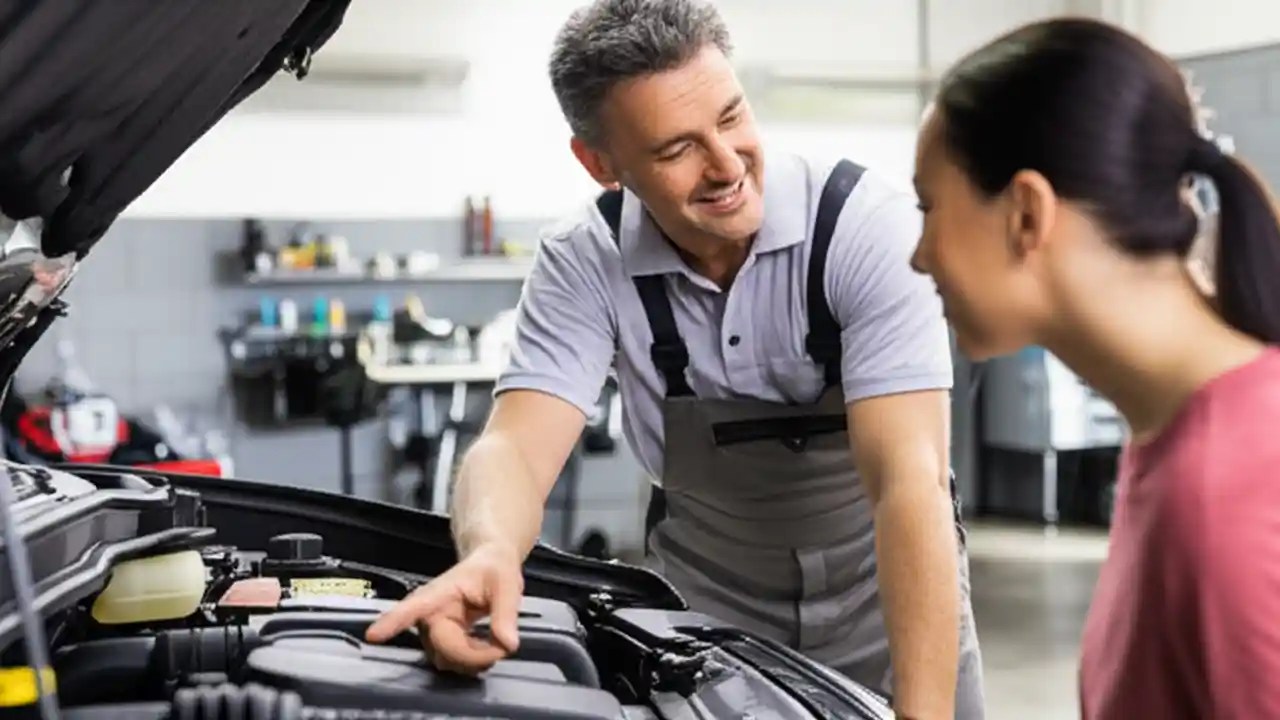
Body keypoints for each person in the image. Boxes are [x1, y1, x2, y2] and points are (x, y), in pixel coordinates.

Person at [366, 1, 985, 717]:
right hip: (708, 623)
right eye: (676, 149)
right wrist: (490, 552)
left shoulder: (865, 228)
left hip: (894, 605)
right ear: (601, 164)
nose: (726, 165)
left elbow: (910, 483)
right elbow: (514, 448)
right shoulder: (586, 259)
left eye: (731, 116)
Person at [910, 17, 1280, 720]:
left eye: (930, 207)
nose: (919, 254)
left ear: (1026, 214)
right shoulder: (1180, 440)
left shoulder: (1226, 497)